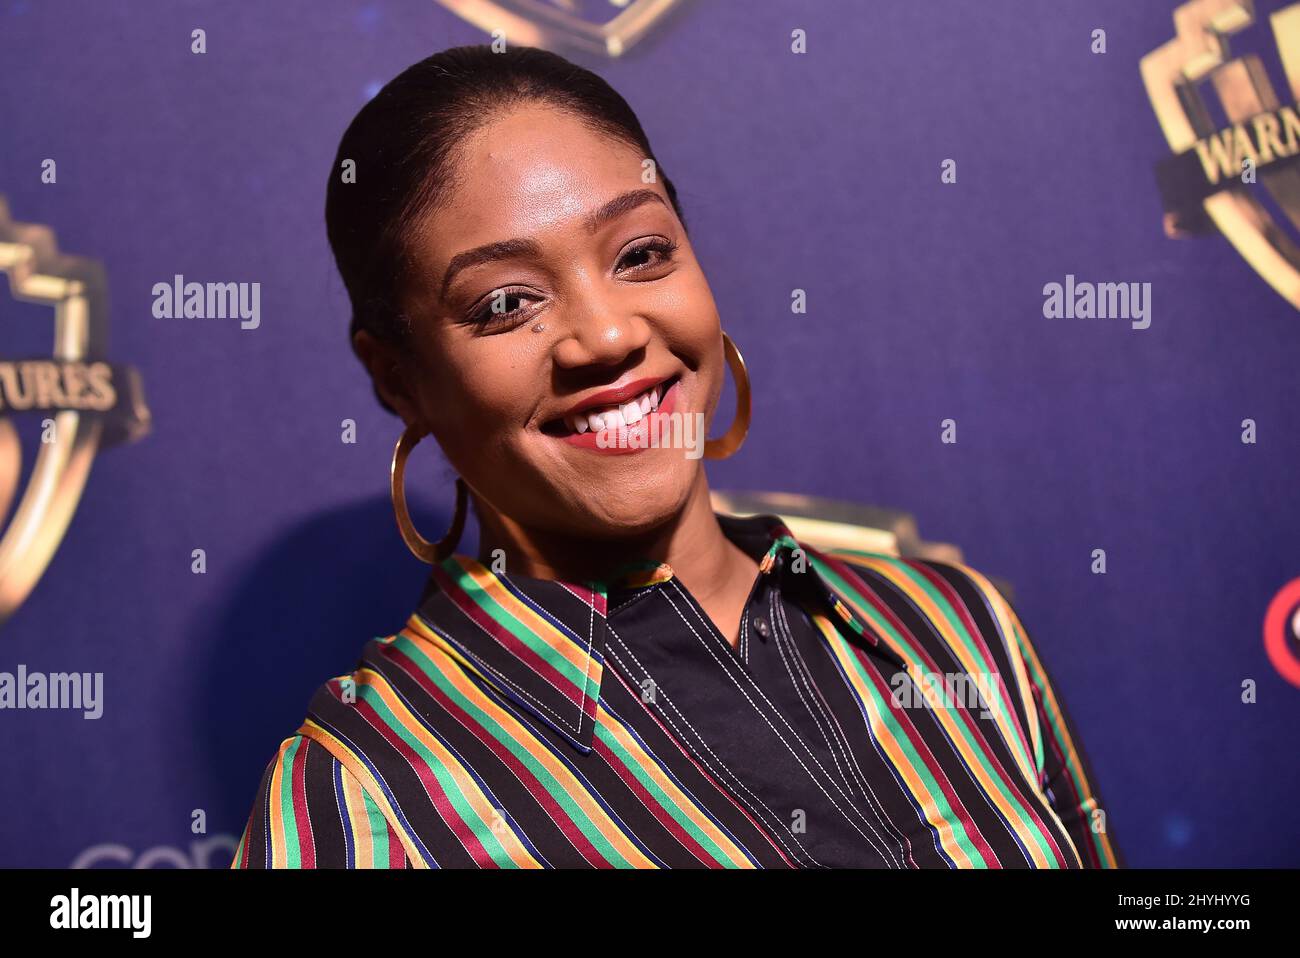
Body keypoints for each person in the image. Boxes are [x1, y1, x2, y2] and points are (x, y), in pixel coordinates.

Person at [232, 44, 1121, 869]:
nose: (608, 335)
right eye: (506, 302)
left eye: (641, 253)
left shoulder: (952, 628)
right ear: (399, 378)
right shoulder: (364, 800)